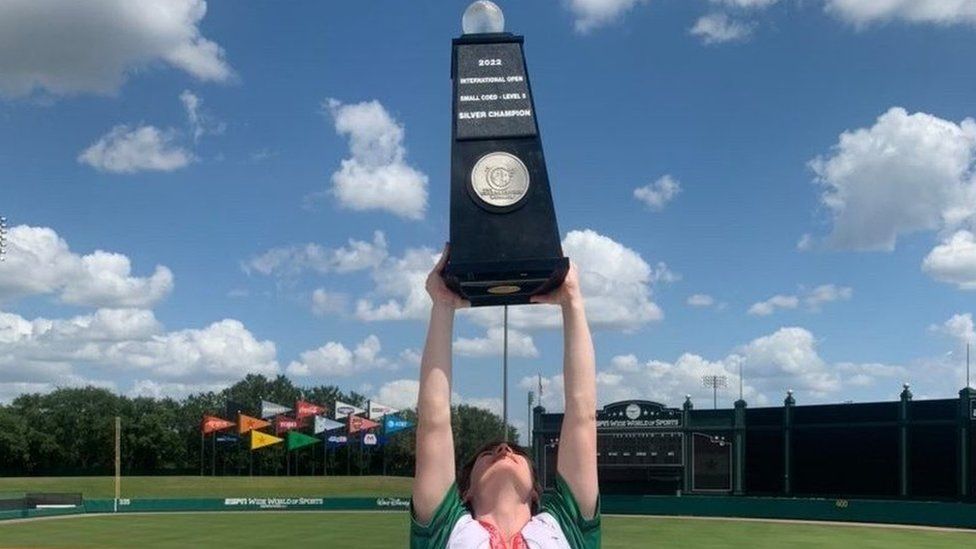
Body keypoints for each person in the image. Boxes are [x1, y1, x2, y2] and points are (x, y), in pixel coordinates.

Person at [411, 244, 600, 548]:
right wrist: (442, 305)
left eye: (516, 452)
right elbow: (433, 422)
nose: (503, 448)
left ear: (536, 493)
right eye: (487, 455)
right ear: (466, 492)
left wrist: (572, 299)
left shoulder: (563, 525)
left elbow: (583, 415)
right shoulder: (446, 528)